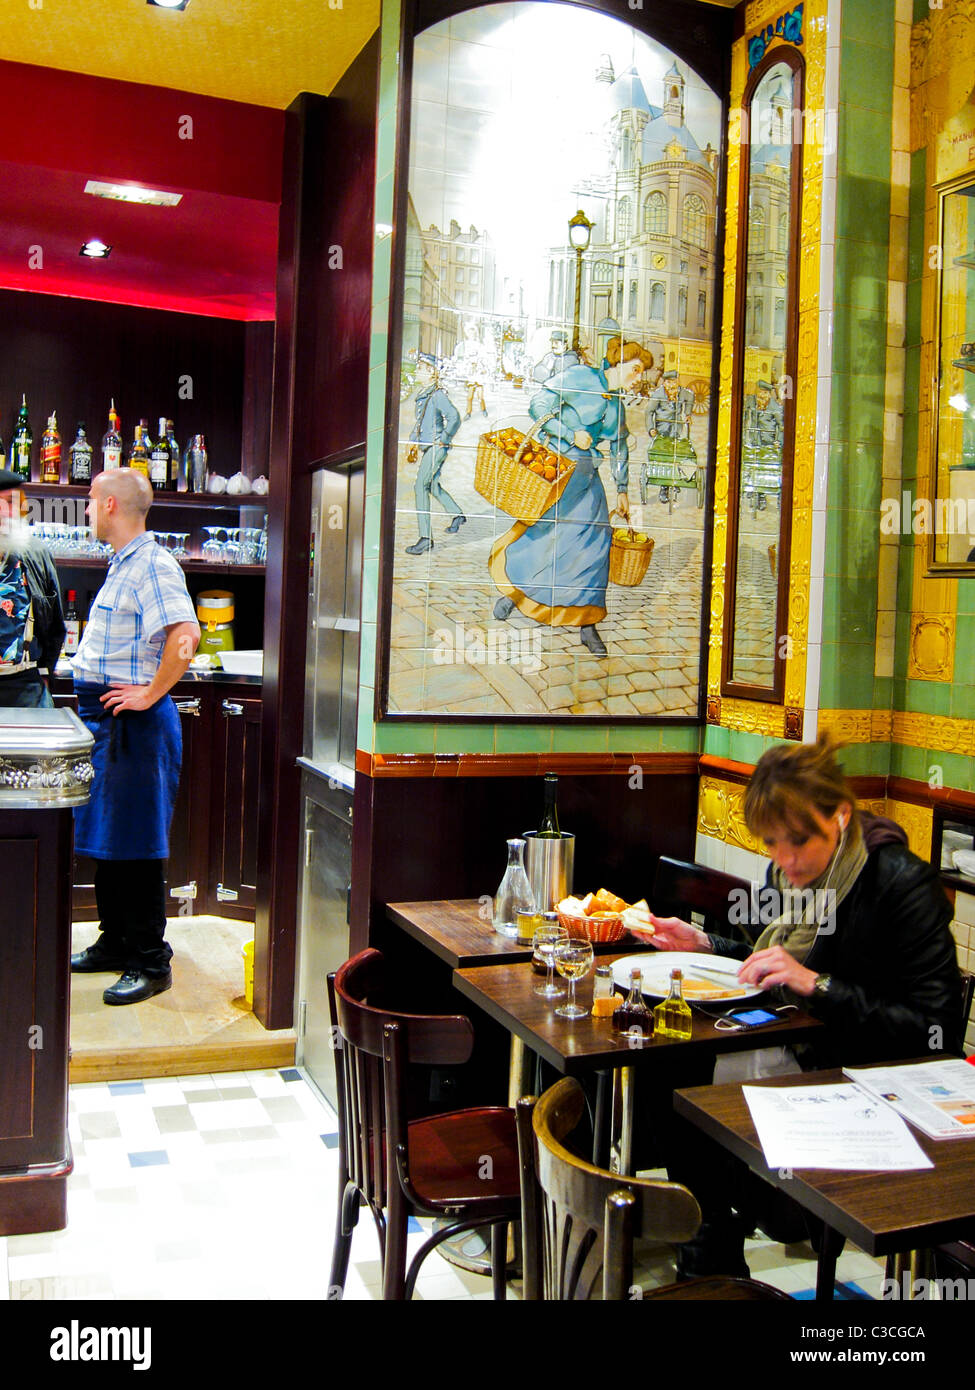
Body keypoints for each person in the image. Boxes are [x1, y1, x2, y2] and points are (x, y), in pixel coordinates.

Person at [633, 734, 963, 1276]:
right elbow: (775, 962)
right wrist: (708, 945)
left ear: (839, 817)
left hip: (864, 1080)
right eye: (771, 844)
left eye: (798, 841)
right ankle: (711, 1240)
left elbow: (936, 1029)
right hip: (797, 1045)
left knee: (685, 1088)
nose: (784, 861)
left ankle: (731, 1228)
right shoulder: (795, 876)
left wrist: (822, 986)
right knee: (658, 1065)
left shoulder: (900, 884)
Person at [69, 470, 200, 1006]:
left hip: (136, 726)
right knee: (111, 842)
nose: (85, 511)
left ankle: (151, 961)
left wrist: (149, 693)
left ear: (110, 504)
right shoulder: (124, 562)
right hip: (109, 721)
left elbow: (186, 636)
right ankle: (116, 941)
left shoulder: (152, 563)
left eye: (89, 502)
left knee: (139, 845)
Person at [491, 337, 654, 658]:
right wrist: (569, 433)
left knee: (596, 542)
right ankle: (515, 593)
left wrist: (621, 489)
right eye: (635, 370)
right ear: (617, 362)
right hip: (554, 469)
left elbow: (619, 447)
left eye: (641, 373)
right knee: (542, 534)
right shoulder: (580, 376)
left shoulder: (616, 406)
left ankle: (587, 622)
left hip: (587, 477)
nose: (638, 378)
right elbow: (538, 404)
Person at [0, 468, 65, 707]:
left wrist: (46, 673)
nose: (5, 512)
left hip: (25, 685)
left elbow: (54, 625)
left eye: (11, 502)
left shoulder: (36, 554)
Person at [404, 354, 464, 556]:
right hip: (428, 446)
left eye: (421, 368)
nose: (417, 371)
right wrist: (413, 441)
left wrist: (445, 438)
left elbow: (454, 417)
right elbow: (421, 422)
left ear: (431, 372)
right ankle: (457, 515)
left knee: (420, 485)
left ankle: (425, 538)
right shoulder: (425, 394)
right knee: (433, 485)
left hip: (436, 446)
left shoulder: (437, 395)